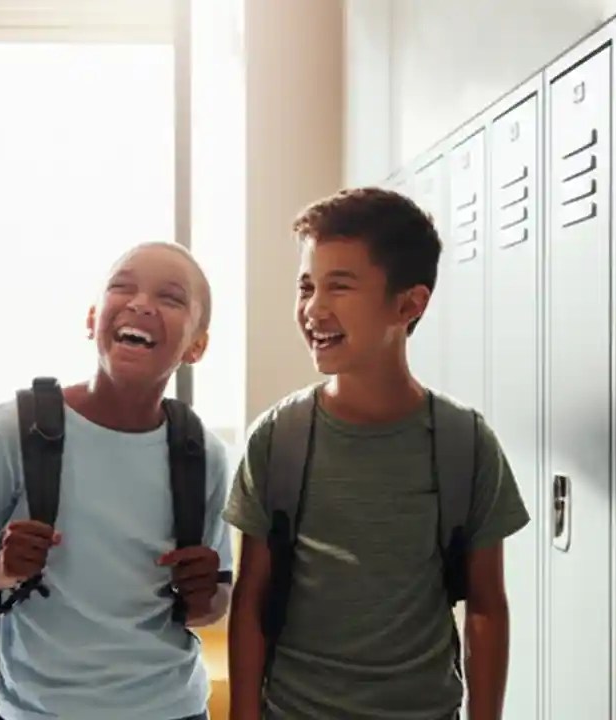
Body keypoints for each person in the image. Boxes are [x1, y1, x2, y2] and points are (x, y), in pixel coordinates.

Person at [225, 188, 530, 720]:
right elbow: (250, 604)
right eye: (306, 287)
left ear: (409, 303)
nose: (313, 308)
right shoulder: (278, 439)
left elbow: (486, 607)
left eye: (339, 287)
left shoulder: (465, 443)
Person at [0, 241, 233, 720]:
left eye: (170, 298)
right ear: (93, 319)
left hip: (175, 709)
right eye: (121, 287)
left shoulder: (201, 453)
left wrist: (202, 593)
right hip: (39, 711)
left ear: (198, 344)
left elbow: (213, 603)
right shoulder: (13, 432)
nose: (140, 303)